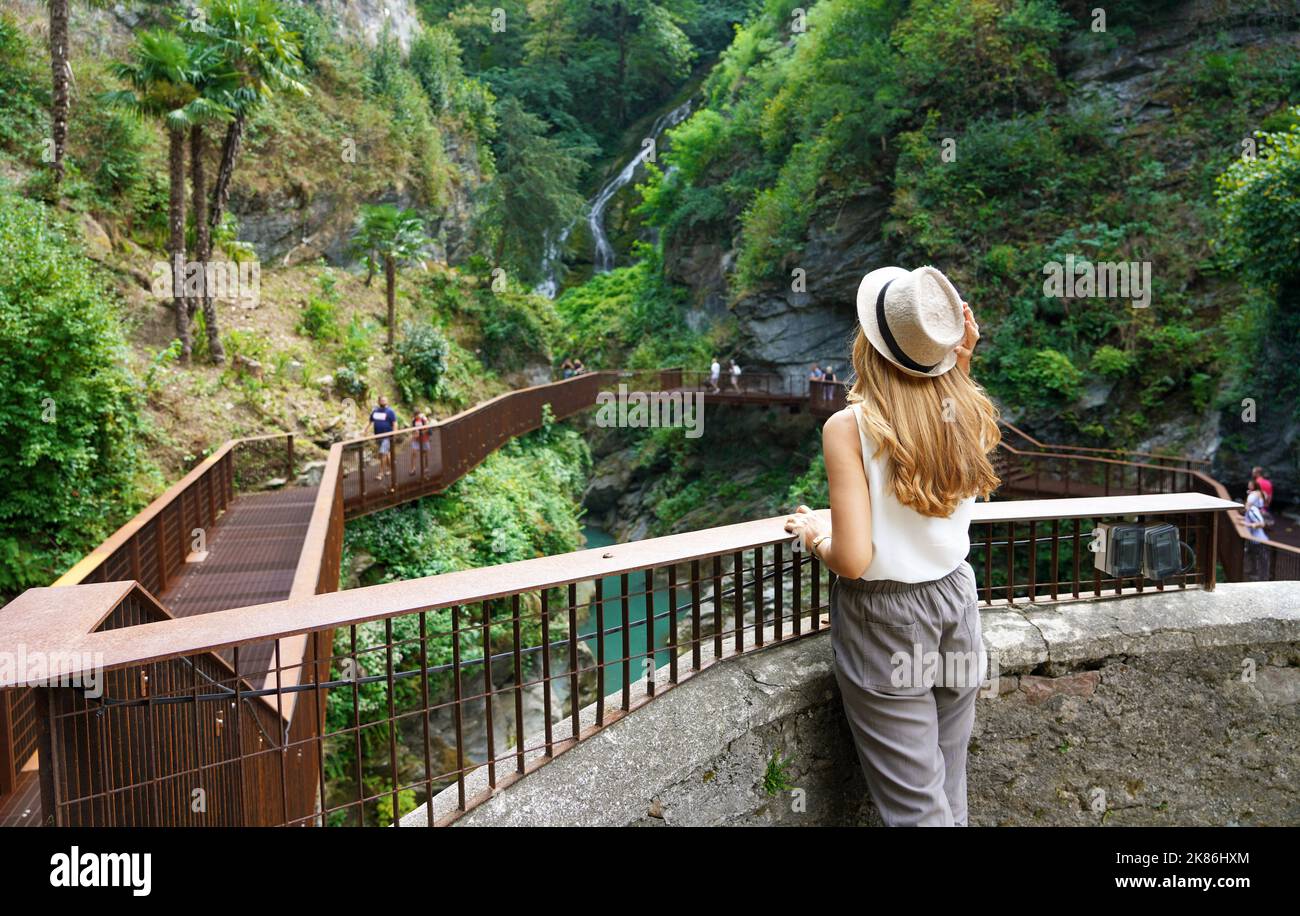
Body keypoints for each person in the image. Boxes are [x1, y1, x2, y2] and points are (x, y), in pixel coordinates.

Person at [784, 264, 996, 827]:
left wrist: (817, 535)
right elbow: (941, 406)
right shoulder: (969, 410)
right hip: (956, 600)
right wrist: (960, 360)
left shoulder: (849, 428)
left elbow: (854, 559)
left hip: (887, 620)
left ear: (868, 344)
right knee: (947, 781)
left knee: (916, 810)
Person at [1244, 478, 1271, 580]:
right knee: (1254, 555)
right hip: (1255, 538)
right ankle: (1257, 573)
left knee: (1262, 558)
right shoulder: (1253, 508)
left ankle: (1263, 577)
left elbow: (1261, 524)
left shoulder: (1252, 510)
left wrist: (1249, 525)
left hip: (1259, 539)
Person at [369, 395, 398, 482]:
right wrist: (365, 431)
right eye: (382, 400)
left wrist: (394, 434)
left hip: (387, 436)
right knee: (386, 454)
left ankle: (381, 473)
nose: (383, 401)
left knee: (382, 453)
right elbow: (370, 422)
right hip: (378, 436)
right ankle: (391, 469)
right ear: (379, 401)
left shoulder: (390, 411)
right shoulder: (375, 411)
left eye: (385, 400)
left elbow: (395, 423)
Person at [408, 408, 432, 476]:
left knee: (425, 453)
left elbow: (427, 428)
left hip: (424, 438)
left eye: (417, 415)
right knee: (413, 453)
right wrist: (413, 434)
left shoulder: (424, 419)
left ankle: (426, 467)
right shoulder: (414, 420)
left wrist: (420, 433)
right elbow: (412, 428)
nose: (416, 416)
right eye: (415, 415)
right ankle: (413, 469)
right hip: (416, 439)